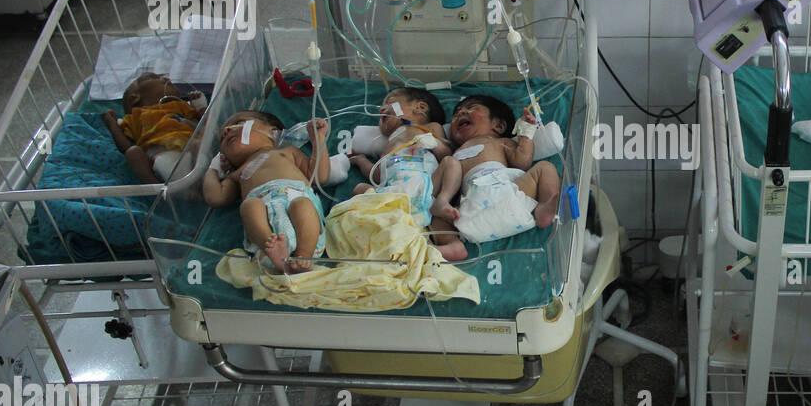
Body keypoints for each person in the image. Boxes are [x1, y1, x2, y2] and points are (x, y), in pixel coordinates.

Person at [203, 110, 330, 274]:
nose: (226, 131)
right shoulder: (237, 174)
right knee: (249, 206)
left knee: (302, 205)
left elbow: (320, 176)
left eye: (238, 124)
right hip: (266, 225)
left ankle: (303, 256)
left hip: (300, 214)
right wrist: (213, 169)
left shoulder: (287, 152)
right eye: (222, 137)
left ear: (273, 133)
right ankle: (270, 246)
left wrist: (318, 139)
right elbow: (216, 198)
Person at [432, 95, 560, 254]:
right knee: (434, 212)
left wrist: (526, 134)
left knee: (545, 167)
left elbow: (522, 162)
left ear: (499, 126)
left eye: (471, 107)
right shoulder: (453, 152)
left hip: (509, 190)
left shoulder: (501, 142)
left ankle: (544, 207)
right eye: (456, 113)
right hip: (471, 206)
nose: (460, 113)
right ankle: (453, 245)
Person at [348, 88, 454, 233]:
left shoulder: (429, 128)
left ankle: (443, 200)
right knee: (359, 188)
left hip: (426, 189)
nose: (381, 110)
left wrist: (432, 142)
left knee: (450, 162)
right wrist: (361, 160)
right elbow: (378, 175)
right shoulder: (389, 144)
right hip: (393, 194)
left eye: (390, 102)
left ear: (420, 108)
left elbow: (446, 153)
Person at [101, 72, 205, 183]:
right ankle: (155, 187)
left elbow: (206, 123)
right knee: (132, 152)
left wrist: (200, 106)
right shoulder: (135, 117)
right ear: (135, 98)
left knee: (201, 141)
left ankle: (200, 182)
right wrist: (112, 124)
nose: (166, 78)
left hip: (189, 150)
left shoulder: (181, 105)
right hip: (157, 159)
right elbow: (125, 146)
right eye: (154, 78)